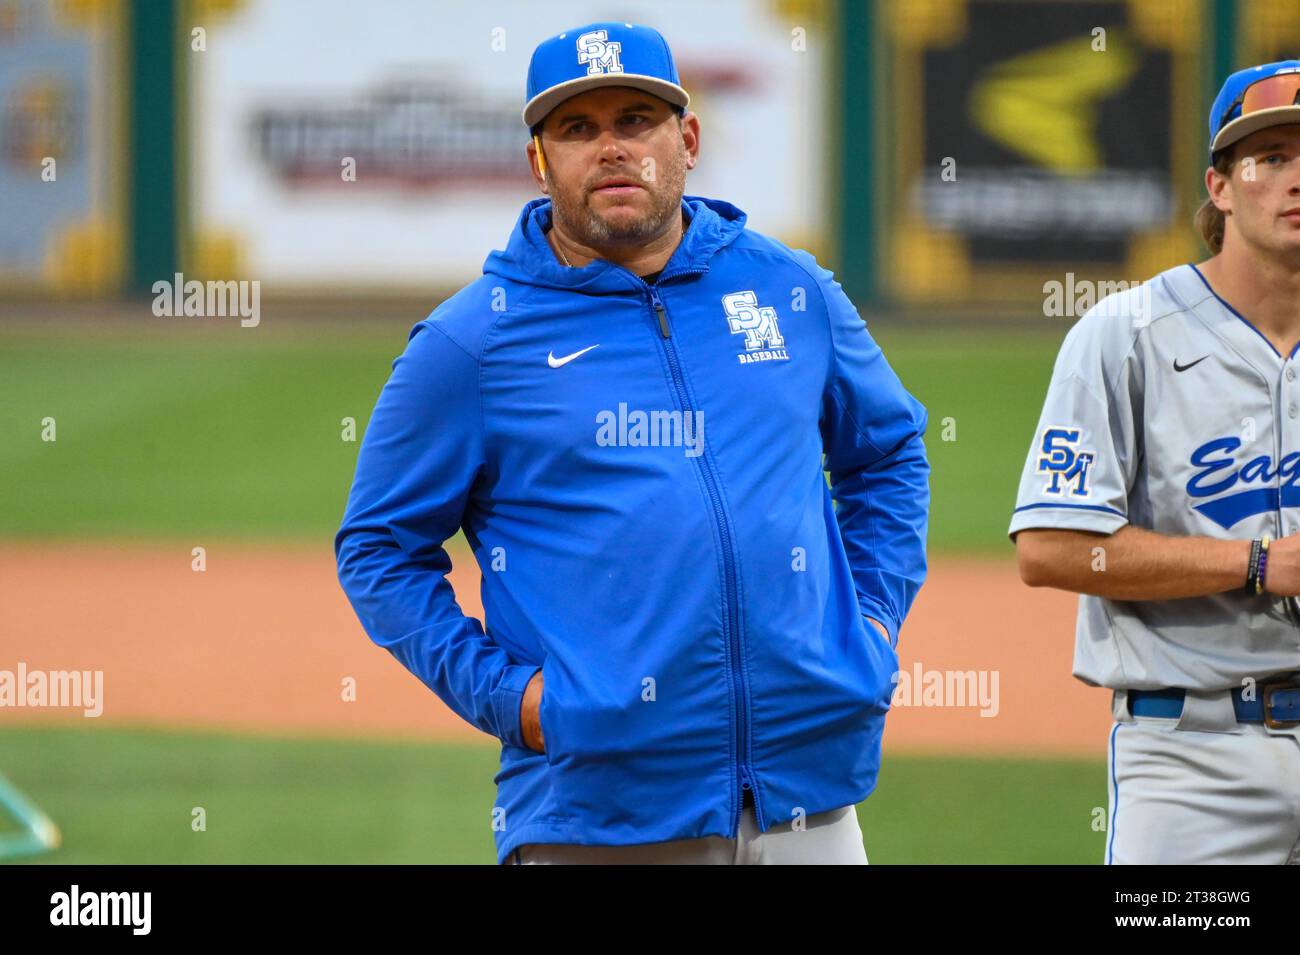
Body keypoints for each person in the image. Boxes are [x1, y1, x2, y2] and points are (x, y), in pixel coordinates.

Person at [336, 21, 929, 865]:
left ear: (687, 139)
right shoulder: (472, 342)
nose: (611, 147)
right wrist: (515, 699)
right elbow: (378, 548)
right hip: (600, 821)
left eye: (636, 120)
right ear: (539, 161)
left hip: (811, 803)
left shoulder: (790, 289)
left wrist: (868, 623)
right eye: (578, 128)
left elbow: (889, 452)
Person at [1010, 61, 1300, 864]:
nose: (1294, 178)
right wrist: (1253, 562)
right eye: (1269, 157)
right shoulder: (1126, 334)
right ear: (1221, 185)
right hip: (1192, 760)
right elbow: (1051, 546)